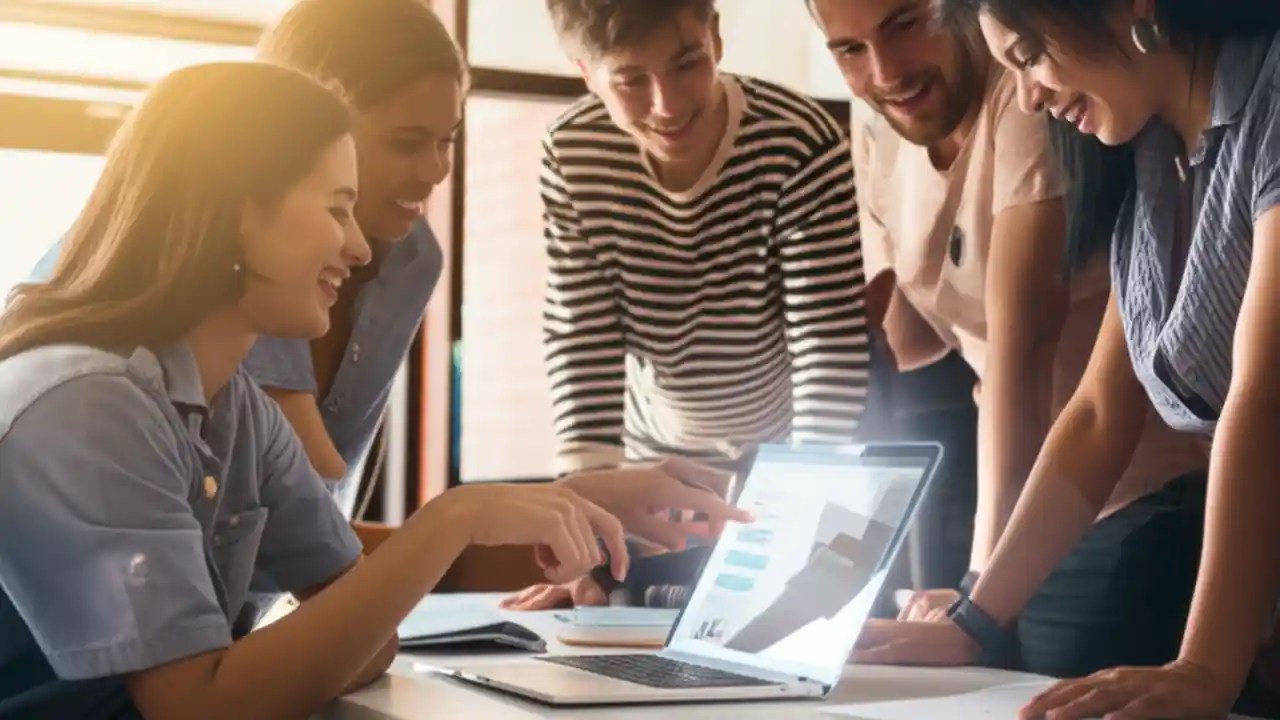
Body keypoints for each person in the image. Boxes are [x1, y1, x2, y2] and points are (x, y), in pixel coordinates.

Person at [0, 61, 675, 719]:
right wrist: (454, 517)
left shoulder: (235, 410)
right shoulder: (86, 407)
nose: (358, 249)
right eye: (336, 209)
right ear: (237, 211)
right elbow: (200, 707)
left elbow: (367, 640)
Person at [29, 0, 750, 558]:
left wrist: (573, 521)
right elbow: (297, 507)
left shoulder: (408, 257)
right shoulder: (149, 347)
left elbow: (318, 530)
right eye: (406, 142)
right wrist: (511, 514)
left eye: (447, 141)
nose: (437, 172)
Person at [845, 1, 1280, 718]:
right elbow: (1098, 412)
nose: (1028, 97)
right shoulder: (1151, 159)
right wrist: (975, 622)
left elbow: (1262, 399)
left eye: (1027, 57)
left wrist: (1205, 665)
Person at [501, 0, 873, 611]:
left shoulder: (798, 140)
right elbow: (582, 337)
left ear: (716, 38)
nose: (667, 104)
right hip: (656, 460)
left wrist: (806, 516)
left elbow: (825, 349)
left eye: (687, 64)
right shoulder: (571, 152)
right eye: (629, 80)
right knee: (621, 623)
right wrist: (582, 529)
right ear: (585, 72)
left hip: (786, 451)